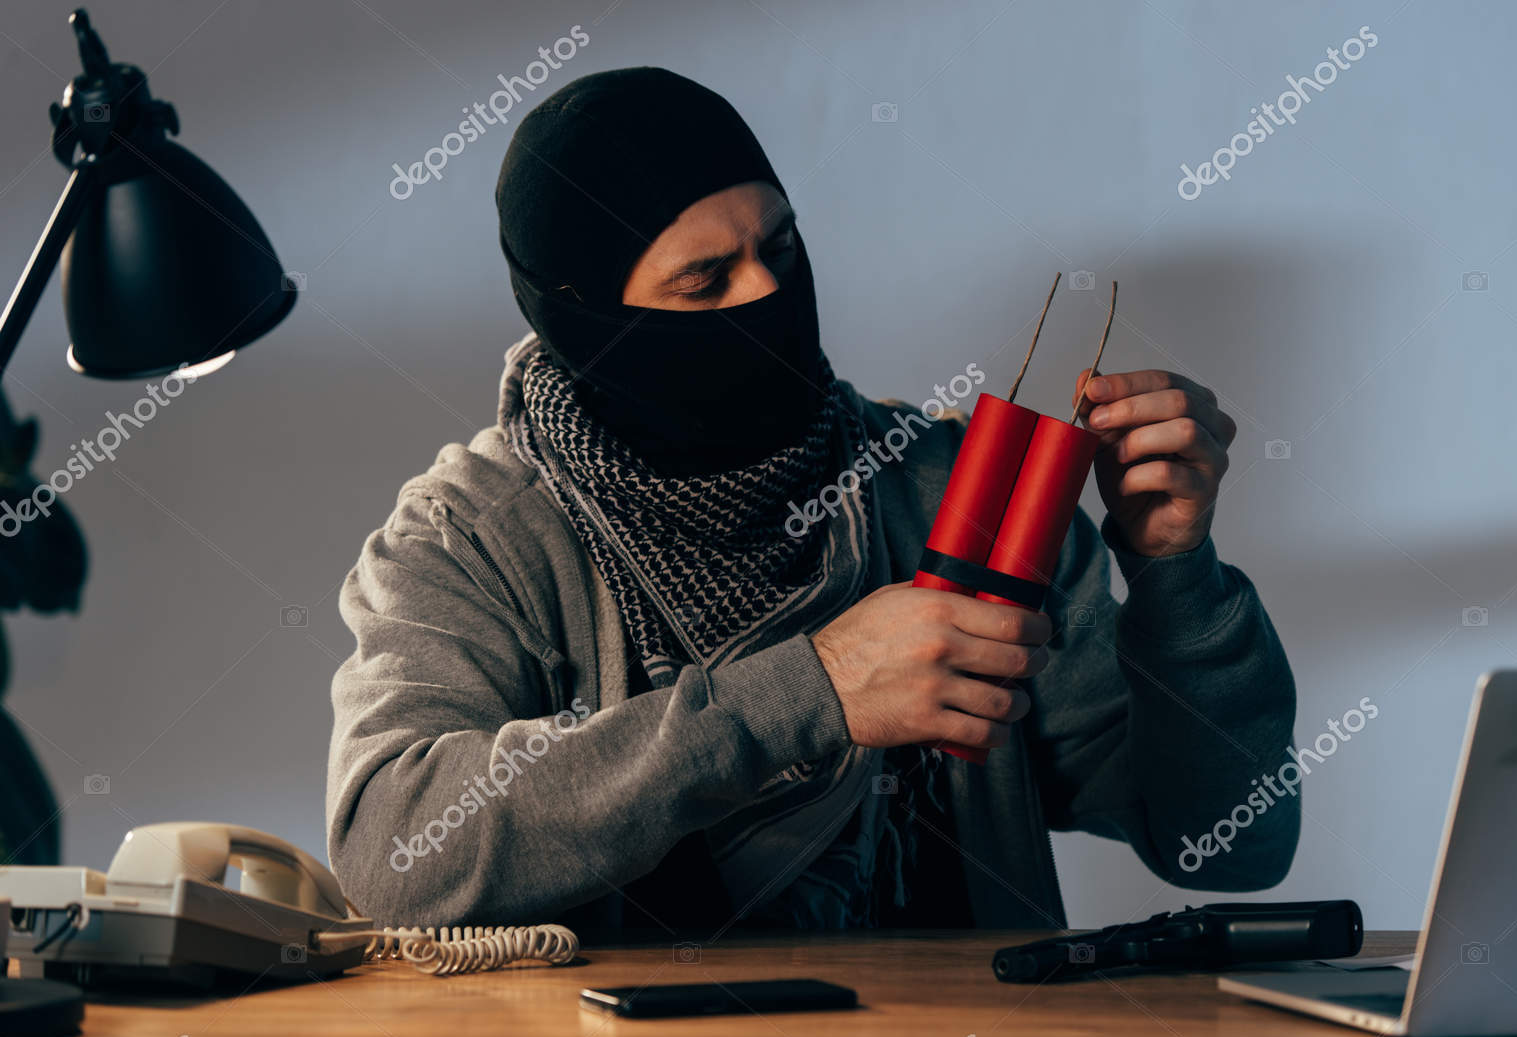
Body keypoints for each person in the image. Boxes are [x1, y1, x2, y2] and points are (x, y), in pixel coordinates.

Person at [326, 67, 1296, 932]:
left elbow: (1231, 845)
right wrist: (814, 690)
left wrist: (1175, 575)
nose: (765, 295)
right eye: (705, 281)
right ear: (586, 319)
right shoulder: (470, 538)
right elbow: (392, 852)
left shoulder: (954, 487)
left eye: (780, 248)